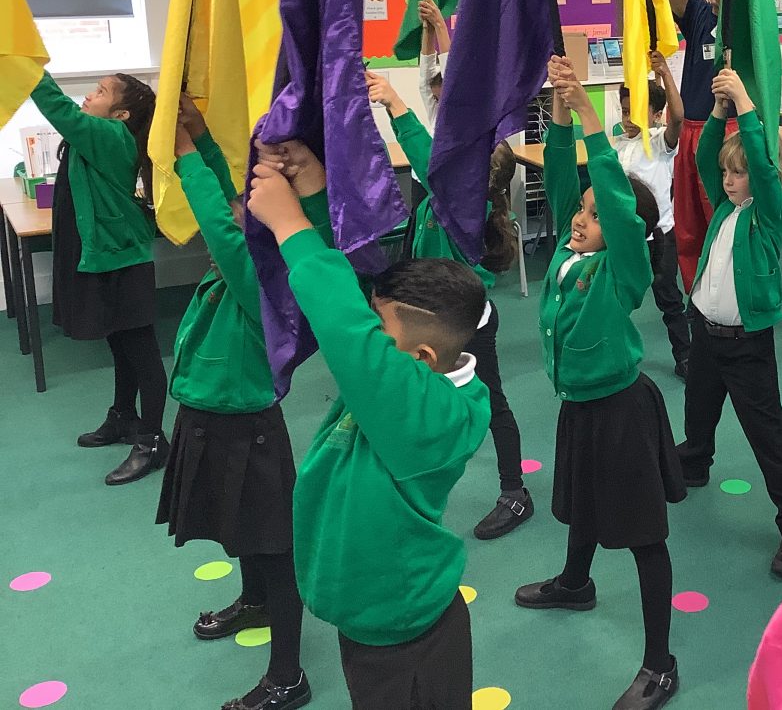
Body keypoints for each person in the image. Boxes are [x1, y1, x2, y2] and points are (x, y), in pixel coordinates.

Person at [246, 148, 492, 710]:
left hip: (402, 627)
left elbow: (345, 326)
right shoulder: (411, 382)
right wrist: (313, 196)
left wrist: (289, 224)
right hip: (376, 610)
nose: (367, 328)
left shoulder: (430, 413)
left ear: (421, 357)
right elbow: (354, 309)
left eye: (379, 327)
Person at [514, 56, 685, 710]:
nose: (580, 219)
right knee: (582, 501)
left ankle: (660, 663)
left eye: (594, 215)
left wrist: (591, 114)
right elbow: (565, 176)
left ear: (624, 234)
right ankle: (574, 583)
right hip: (580, 407)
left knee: (644, 538)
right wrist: (561, 109)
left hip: (622, 414)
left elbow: (614, 200)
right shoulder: (570, 253)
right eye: (580, 212)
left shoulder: (622, 272)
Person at [157, 99, 322, 710]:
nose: (237, 210)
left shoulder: (266, 285)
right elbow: (232, 207)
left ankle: (288, 674)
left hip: (245, 427)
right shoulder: (251, 263)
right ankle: (254, 601)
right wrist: (202, 136)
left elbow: (223, 225)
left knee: (273, 546)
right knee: (241, 530)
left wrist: (182, 155)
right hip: (210, 416)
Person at [366, 70, 533, 541]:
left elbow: (427, 157)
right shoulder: (445, 202)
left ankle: (515, 492)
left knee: (492, 402)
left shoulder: (466, 208)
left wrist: (396, 104)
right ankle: (406, 486)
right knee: (413, 400)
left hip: (464, 324)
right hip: (427, 320)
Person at [678, 67, 782, 579]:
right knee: (698, 408)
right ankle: (695, 462)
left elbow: (759, 163)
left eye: (737, 174)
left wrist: (745, 105)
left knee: (766, 431)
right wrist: (718, 112)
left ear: (759, 177)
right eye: (726, 174)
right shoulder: (725, 208)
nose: (729, 181)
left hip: (746, 343)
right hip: (705, 333)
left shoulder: (769, 214)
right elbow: (702, 159)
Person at [30, 69, 166, 485]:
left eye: (101, 92)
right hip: (107, 256)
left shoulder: (112, 136)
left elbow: (57, 106)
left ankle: (152, 441)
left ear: (121, 114)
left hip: (123, 260)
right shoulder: (97, 135)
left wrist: (23, 62)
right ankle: (123, 416)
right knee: (119, 343)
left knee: (141, 351)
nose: (89, 96)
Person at [646, 0, 731, 290]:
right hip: (691, 132)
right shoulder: (699, 12)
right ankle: (697, 295)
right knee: (688, 225)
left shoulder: (743, 17)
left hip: (726, 132)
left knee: (721, 217)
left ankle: (724, 293)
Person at [617, 50, 691, 379]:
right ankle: (615, 354)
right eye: (624, 110)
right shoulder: (618, 145)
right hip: (626, 237)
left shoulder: (660, 141)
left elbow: (678, 118)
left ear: (656, 114)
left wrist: (666, 74)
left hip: (659, 235)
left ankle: (685, 355)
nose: (628, 117)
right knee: (616, 298)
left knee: (668, 297)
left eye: (635, 110)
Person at [417, 0, 451, 128]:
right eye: (437, 100)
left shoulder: (465, 114)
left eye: (442, 99)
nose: (439, 105)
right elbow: (425, 84)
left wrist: (439, 24)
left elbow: (452, 82)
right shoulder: (436, 120)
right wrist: (428, 28)